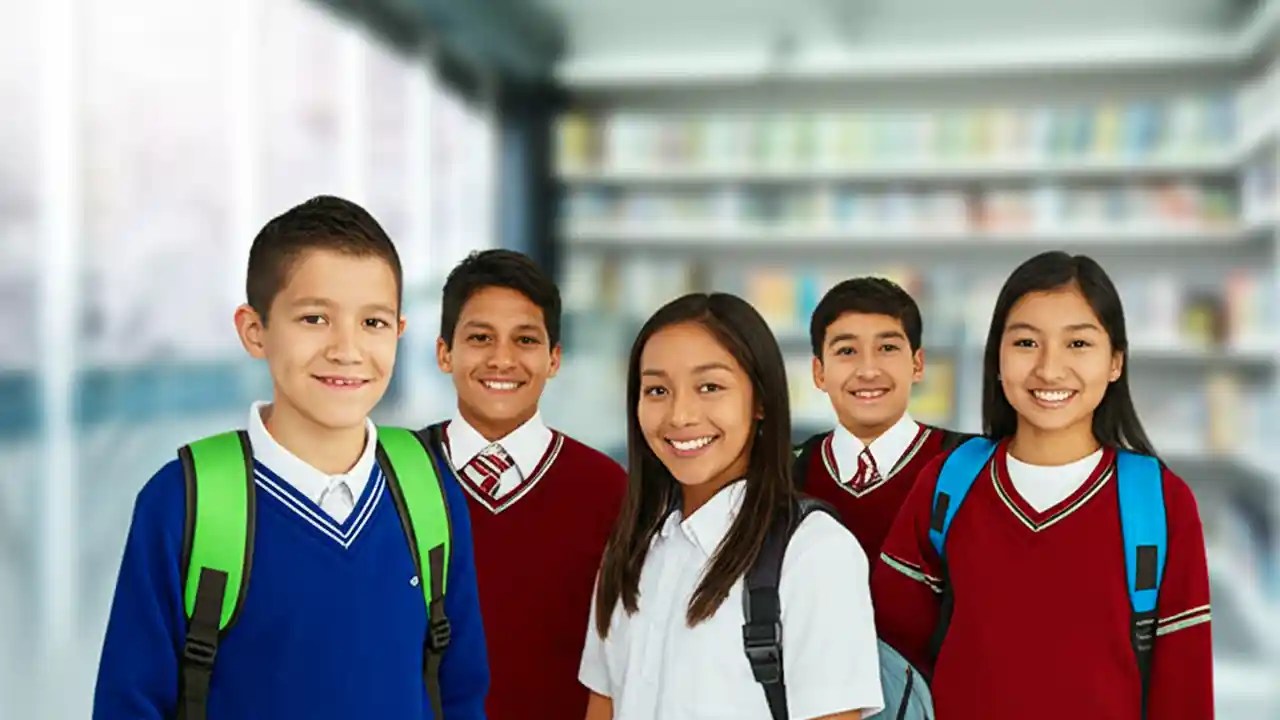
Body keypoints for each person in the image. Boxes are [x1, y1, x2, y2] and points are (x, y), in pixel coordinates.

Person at [93, 196, 488, 719]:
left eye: (372, 322)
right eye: (314, 318)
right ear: (254, 330)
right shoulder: (183, 504)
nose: (346, 349)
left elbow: (461, 693)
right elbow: (129, 704)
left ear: (399, 331)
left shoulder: (429, 491)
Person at [872, 251, 1213, 719]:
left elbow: (1184, 695)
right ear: (997, 358)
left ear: (1115, 361)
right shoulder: (947, 484)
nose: (1050, 369)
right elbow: (888, 663)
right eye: (1027, 342)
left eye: (1078, 344)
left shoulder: (1160, 502)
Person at [580, 292, 883, 720]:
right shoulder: (632, 548)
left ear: (760, 400)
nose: (680, 415)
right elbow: (604, 705)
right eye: (657, 390)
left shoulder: (815, 553)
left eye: (710, 387)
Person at [427, 249, 627, 720]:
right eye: (480, 337)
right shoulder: (398, 473)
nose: (502, 359)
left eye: (525, 340)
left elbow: (622, 658)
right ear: (444, 353)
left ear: (554, 359)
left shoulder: (607, 490)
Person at [796, 276, 970, 557]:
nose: (868, 371)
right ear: (819, 373)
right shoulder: (788, 474)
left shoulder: (966, 465)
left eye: (887, 348)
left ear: (917, 364)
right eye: (847, 351)